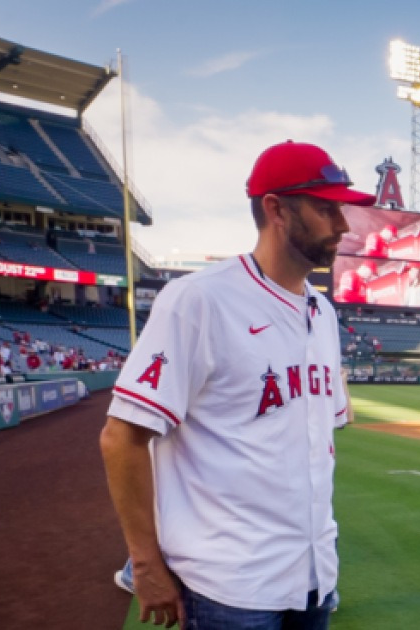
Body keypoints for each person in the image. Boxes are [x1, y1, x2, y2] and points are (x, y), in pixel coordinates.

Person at [99, 140, 370, 628]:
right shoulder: (199, 299)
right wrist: (146, 563)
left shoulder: (323, 312)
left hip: (313, 575)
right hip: (228, 586)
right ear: (276, 210)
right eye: (326, 209)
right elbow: (122, 438)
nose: (343, 225)